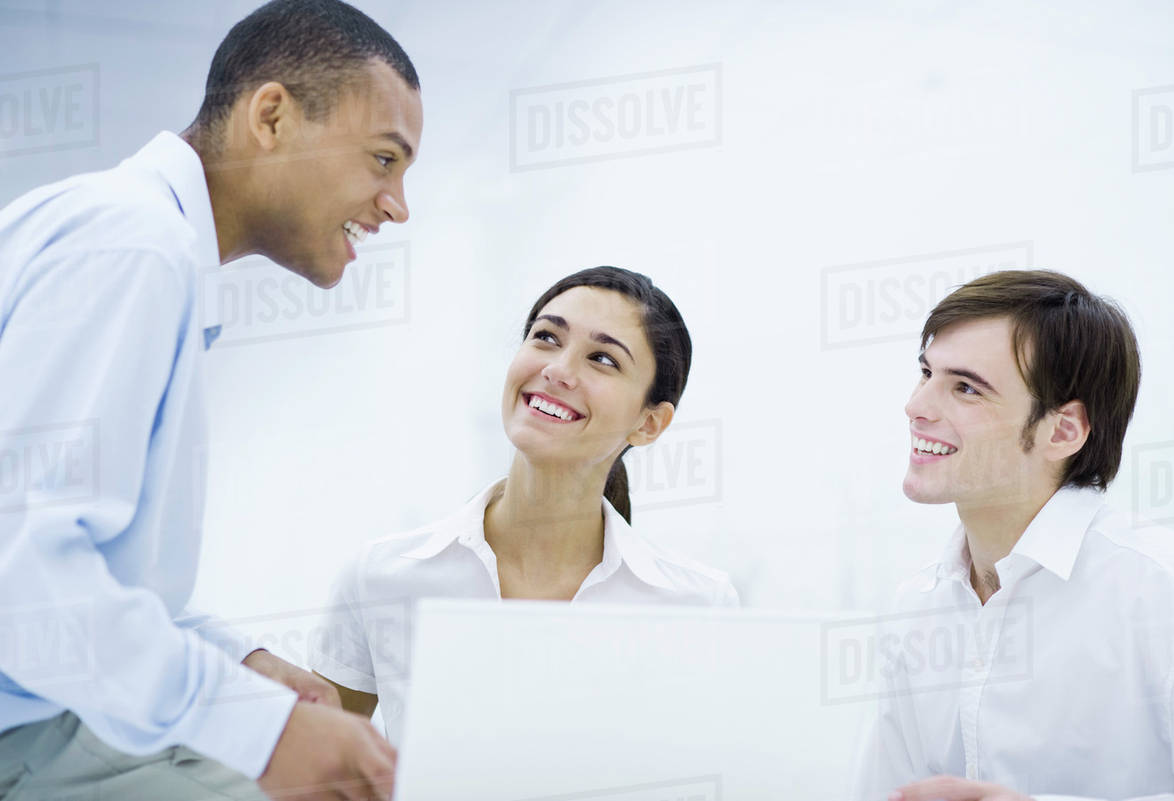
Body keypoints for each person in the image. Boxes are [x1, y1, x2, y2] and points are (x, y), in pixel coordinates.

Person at [0, 1, 422, 799]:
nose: (397, 203)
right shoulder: (134, 247)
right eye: (382, 159)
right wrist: (262, 729)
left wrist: (240, 663)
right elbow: (23, 579)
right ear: (272, 117)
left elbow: (81, 572)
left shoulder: (136, 241)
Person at [308, 266, 739, 740]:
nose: (557, 370)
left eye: (602, 359)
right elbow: (322, 769)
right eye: (547, 338)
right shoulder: (382, 577)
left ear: (649, 423)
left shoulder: (699, 606)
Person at [851, 270, 1174, 800]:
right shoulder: (918, 606)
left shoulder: (1171, 592)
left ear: (1062, 430)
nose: (916, 406)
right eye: (926, 373)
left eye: (965, 388)